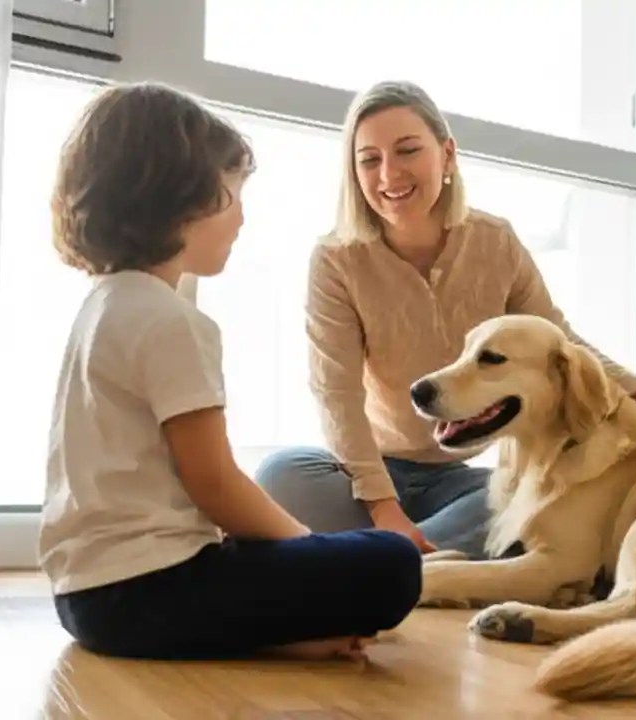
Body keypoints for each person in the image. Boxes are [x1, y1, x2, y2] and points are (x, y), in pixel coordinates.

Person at [39, 82, 421, 663]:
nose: (242, 215)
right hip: (151, 592)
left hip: (84, 599)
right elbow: (214, 482)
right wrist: (310, 548)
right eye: (233, 193)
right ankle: (285, 633)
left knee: (323, 558)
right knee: (393, 562)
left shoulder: (104, 305)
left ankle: (279, 625)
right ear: (179, 197)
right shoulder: (171, 321)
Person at [255, 81, 636, 559]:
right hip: (366, 476)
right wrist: (386, 510)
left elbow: (559, 342)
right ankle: (407, 558)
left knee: (525, 501)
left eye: (408, 150)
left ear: (446, 155)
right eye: (369, 159)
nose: (389, 174)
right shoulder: (335, 259)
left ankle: (378, 561)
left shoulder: (495, 241)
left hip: (461, 481)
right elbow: (336, 395)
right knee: (281, 475)